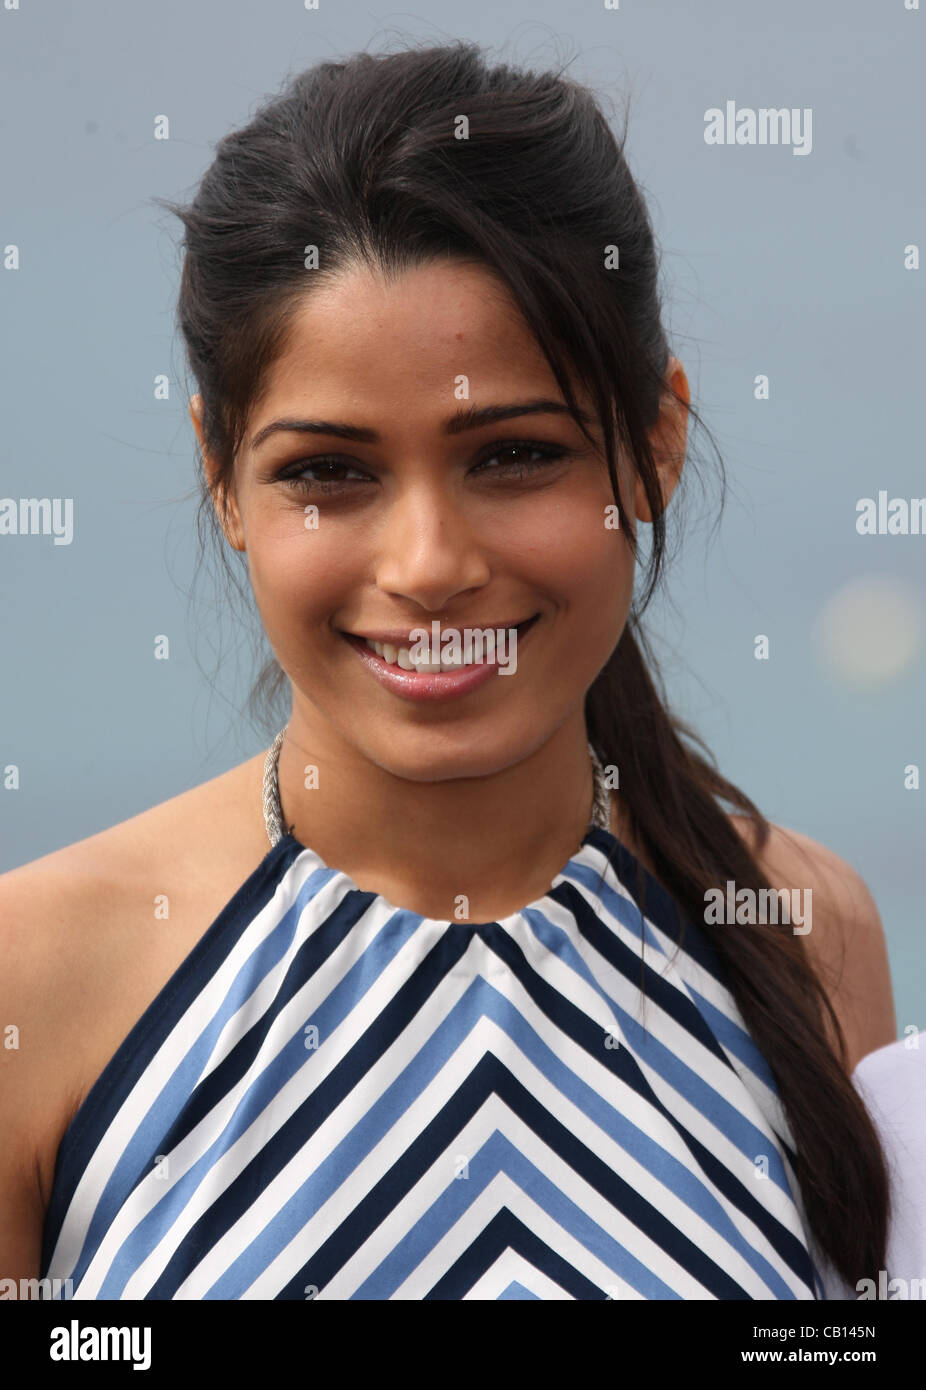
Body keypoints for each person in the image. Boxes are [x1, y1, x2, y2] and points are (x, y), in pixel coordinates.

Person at [0, 41, 896, 1301]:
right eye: (329, 472)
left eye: (513, 457)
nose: (427, 564)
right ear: (222, 480)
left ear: (652, 449)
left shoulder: (803, 928)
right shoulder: (31, 976)